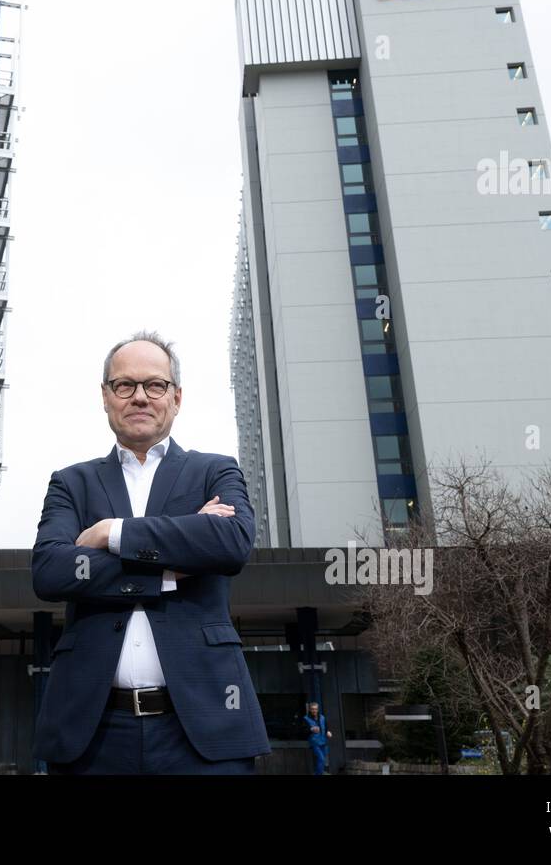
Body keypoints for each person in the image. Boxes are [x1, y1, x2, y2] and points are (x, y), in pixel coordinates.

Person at [31, 330, 272, 774]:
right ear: (105, 397)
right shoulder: (71, 483)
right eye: (125, 385)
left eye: (155, 385)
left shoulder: (215, 470)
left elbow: (230, 543)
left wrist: (112, 532)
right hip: (92, 735)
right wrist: (167, 569)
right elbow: (51, 571)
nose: (140, 397)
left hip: (205, 729)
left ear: (176, 398)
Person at [305, 702, 332, 775]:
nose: (314, 711)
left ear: (318, 709)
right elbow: (302, 731)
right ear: (310, 710)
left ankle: (319, 773)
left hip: (323, 741)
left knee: (322, 760)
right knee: (321, 759)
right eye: (313, 709)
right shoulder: (306, 718)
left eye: (316, 709)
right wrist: (311, 729)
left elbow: (326, 728)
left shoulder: (322, 717)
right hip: (314, 742)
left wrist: (328, 732)